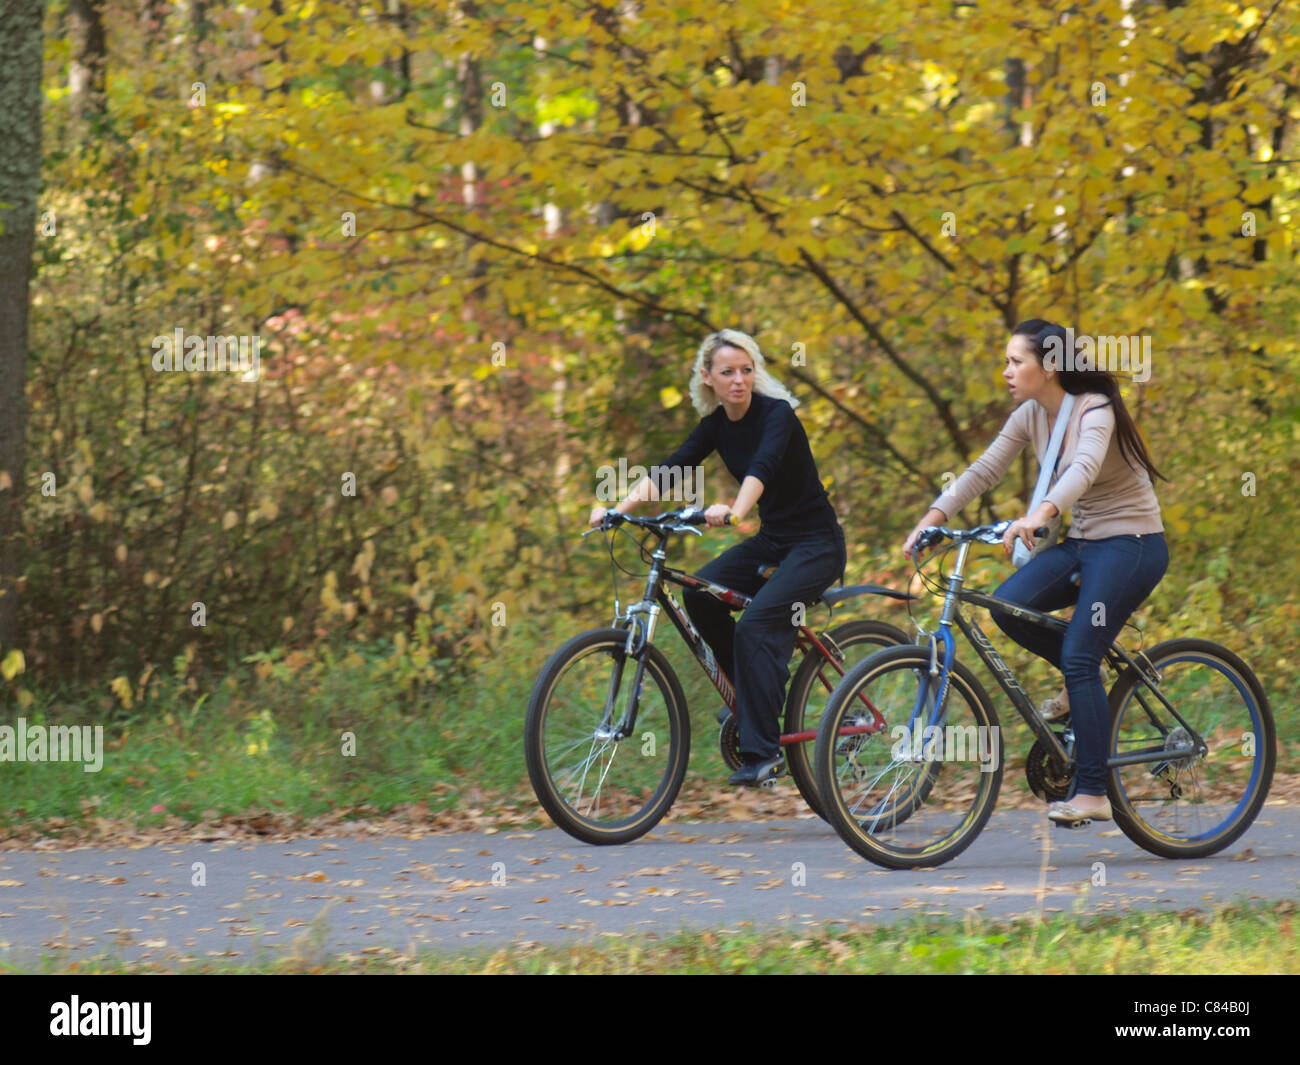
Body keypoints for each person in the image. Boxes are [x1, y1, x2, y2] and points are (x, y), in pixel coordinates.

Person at [902, 320, 1168, 827]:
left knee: (1079, 655)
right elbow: (984, 470)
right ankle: (1080, 675)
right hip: (1085, 543)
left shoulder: (1096, 408)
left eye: (1014, 361)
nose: (1006, 371)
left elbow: (1084, 468)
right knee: (1010, 608)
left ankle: (1092, 792)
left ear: (1049, 366)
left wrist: (1041, 512)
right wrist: (932, 519)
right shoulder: (1031, 414)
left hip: (1132, 543)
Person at [589, 329, 846, 787]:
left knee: (755, 625)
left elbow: (761, 467)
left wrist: (735, 511)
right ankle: (756, 696)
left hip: (816, 544)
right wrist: (616, 511)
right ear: (707, 378)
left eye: (747, 371)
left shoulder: (777, 415)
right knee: (701, 595)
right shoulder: (715, 426)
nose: (739, 380)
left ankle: (764, 752)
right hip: (774, 542)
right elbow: (671, 469)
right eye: (727, 372)